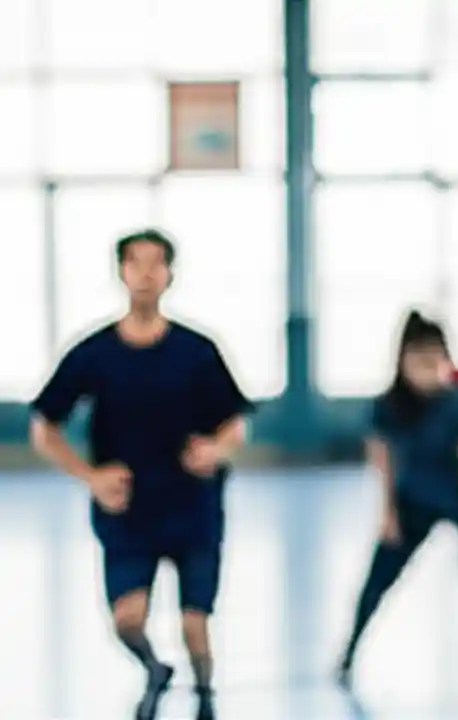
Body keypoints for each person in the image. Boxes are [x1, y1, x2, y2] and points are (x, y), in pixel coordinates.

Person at [29, 229, 252, 720]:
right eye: (136, 263)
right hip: (128, 506)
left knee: (196, 624)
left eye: (156, 263)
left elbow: (235, 421)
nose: (146, 273)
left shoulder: (197, 351)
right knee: (127, 618)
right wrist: (90, 476)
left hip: (192, 502)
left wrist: (215, 448)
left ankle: (205, 696)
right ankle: (154, 668)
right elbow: (44, 427)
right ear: (121, 272)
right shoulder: (94, 354)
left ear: (170, 273)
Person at [336, 311, 458, 688]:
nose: (426, 367)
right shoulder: (389, 405)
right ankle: (348, 654)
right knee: (377, 581)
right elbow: (382, 458)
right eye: (417, 359)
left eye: (434, 357)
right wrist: (386, 514)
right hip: (412, 501)